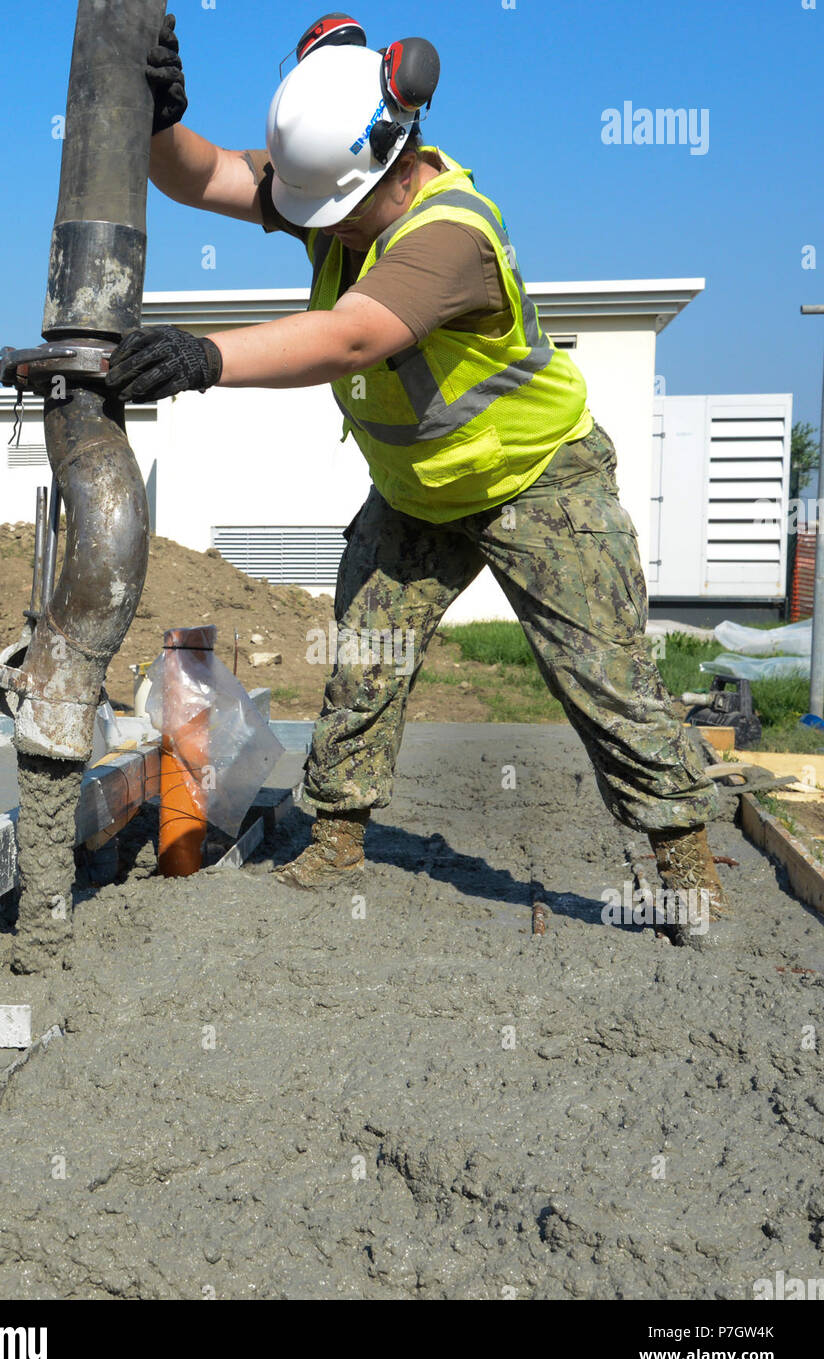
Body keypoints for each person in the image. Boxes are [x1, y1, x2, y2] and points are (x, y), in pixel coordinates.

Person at [107, 13, 724, 940]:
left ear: (396, 161)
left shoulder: (452, 234)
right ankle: (338, 842)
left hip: (538, 482)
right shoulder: (338, 190)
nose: (316, 227)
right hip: (418, 495)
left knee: (605, 677)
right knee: (363, 661)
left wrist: (204, 357)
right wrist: (157, 117)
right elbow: (196, 174)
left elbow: (351, 336)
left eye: (332, 211)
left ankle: (681, 860)